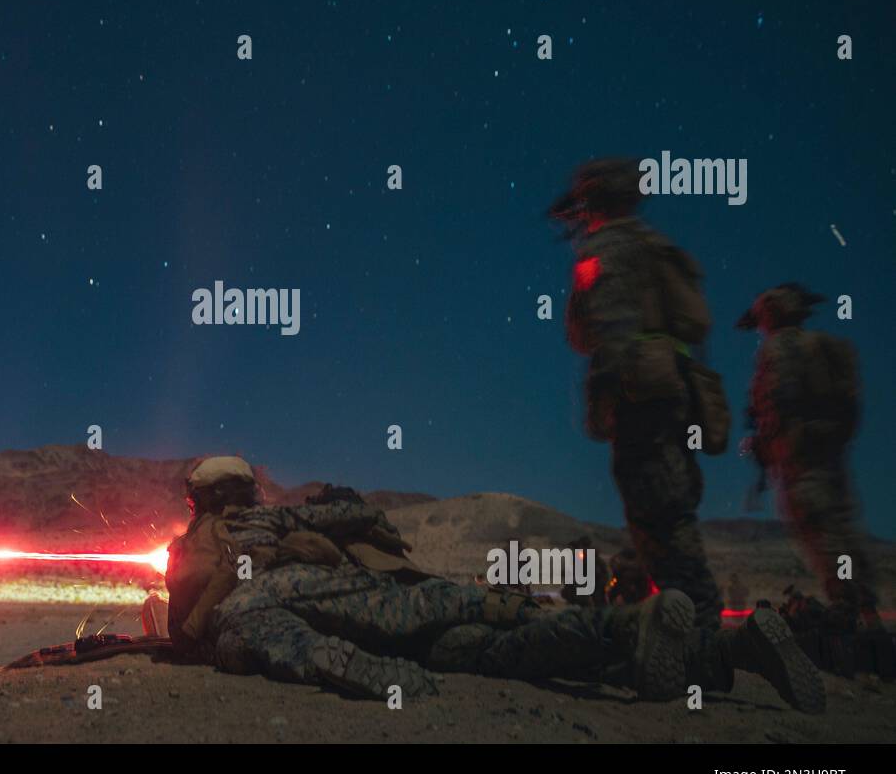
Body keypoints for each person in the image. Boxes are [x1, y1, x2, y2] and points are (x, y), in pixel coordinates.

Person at [163, 456, 824, 711]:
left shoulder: (206, 546)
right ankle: (723, 650)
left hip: (364, 620)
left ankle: (680, 643)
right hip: (397, 611)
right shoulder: (279, 518)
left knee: (501, 638)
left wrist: (361, 670)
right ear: (245, 487)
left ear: (196, 499)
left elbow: (236, 618)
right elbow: (358, 514)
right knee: (506, 638)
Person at [549, 158, 728, 632]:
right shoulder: (657, 247)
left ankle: (700, 633)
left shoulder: (605, 248)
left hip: (640, 396)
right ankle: (694, 625)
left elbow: (603, 331)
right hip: (675, 393)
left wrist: (604, 404)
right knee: (671, 503)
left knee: (656, 514)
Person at [738, 283, 882, 632]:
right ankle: (867, 612)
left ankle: (848, 612)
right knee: (842, 528)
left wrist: (762, 444)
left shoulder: (779, 350)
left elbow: (778, 403)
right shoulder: (819, 348)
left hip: (798, 459)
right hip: (829, 455)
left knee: (822, 533)